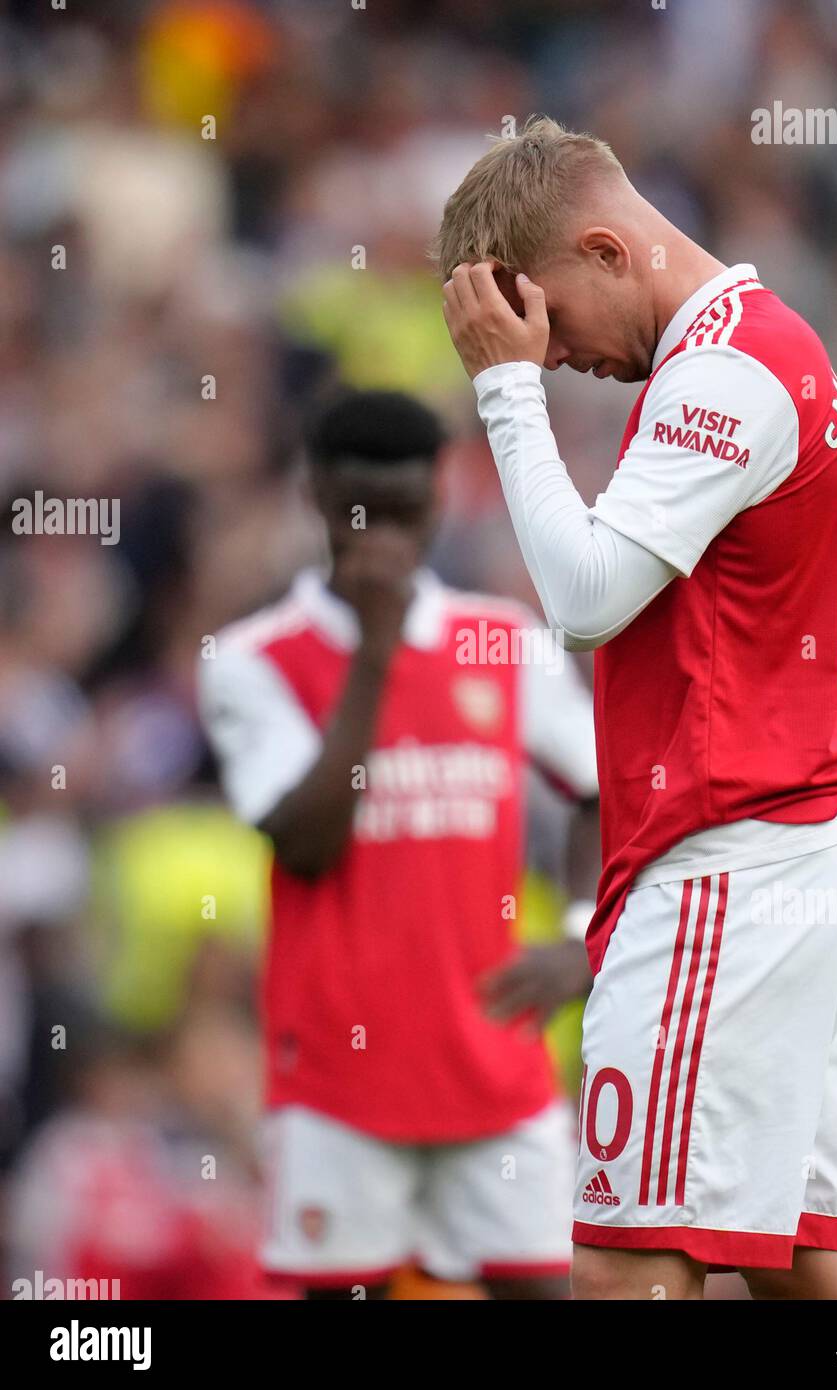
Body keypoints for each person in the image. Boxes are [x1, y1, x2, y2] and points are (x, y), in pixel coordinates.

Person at [437, 116, 837, 1301]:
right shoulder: (764, 346)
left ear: (602, 249)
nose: (555, 359)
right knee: (822, 1277)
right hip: (799, 860)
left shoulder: (726, 371)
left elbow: (585, 598)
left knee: (622, 1265)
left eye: (551, 325)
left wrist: (501, 395)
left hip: (726, 871)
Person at [197, 385, 600, 1300]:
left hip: (492, 1061)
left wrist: (585, 936)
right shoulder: (254, 659)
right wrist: (375, 656)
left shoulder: (501, 640)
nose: (383, 533)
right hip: (339, 1079)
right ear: (314, 496)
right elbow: (305, 843)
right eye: (358, 509)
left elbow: (601, 790)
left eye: (406, 509)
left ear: (441, 499)